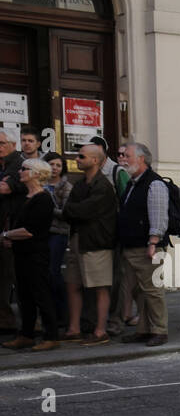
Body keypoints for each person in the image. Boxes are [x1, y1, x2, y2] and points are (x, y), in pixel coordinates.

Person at [61, 143, 118, 345]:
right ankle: (74, 328)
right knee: (72, 284)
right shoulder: (80, 184)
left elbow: (82, 210)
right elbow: (69, 211)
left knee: (100, 287)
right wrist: (75, 211)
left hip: (96, 243)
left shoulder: (103, 186)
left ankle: (100, 330)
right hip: (77, 239)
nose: (77, 159)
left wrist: (75, 211)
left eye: (82, 156)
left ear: (95, 160)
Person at [0, 159, 58, 351]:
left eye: (24, 169)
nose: (20, 172)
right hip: (22, 253)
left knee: (40, 294)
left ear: (35, 173)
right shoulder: (27, 197)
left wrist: (6, 235)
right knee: (24, 296)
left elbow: (30, 230)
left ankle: (51, 336)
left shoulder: (43, 198)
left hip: (36, 254)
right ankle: (26, 334)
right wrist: (11, 237)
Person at [117, 142, 171, 346]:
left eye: (127, 155)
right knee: (139, 291)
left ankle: (160, 330)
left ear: (141, 159)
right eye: (122, 155)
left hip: (148, 247)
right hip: (132, 246)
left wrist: (153, 242)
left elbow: (158, 217)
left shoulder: (154, 183)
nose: (123, 159)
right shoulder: (133, 182)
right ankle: (144, 329)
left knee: (153, 290)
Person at [43, 152, 73, 332]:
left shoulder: (66, 187)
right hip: (41, 233)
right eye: (51, 164)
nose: (54, 168)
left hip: (58, 233)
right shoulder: (41, 184)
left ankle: (62, 313)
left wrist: (48, 207)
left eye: (58, 165)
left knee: (53, 272)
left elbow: (66, 213)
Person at [0, 129, 21, 332]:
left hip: (13, 229)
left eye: (2, 143)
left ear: (13, 145)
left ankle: (33, 324)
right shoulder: (4, 164)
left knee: (15, 276)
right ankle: (5, 320)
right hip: (4, 228)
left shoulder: (17, 164)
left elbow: (6, 188)